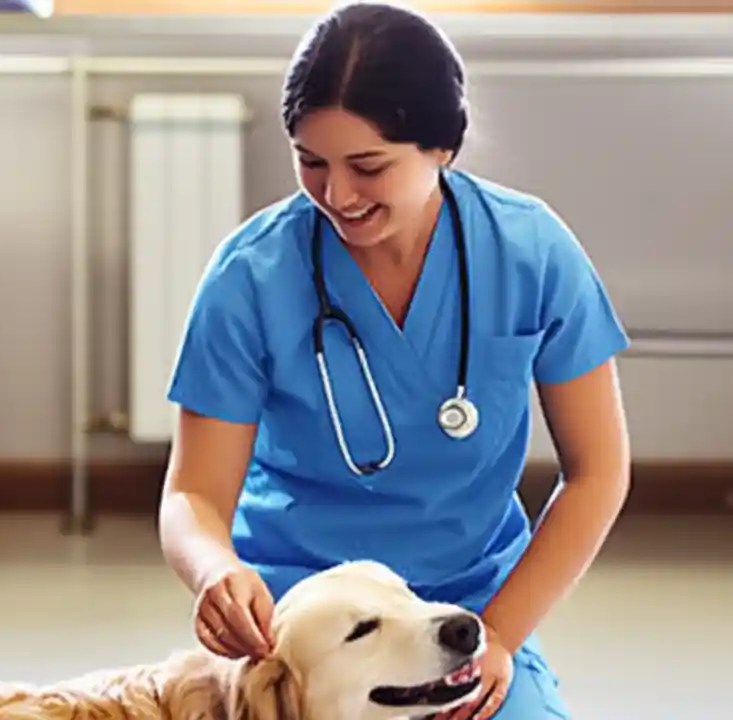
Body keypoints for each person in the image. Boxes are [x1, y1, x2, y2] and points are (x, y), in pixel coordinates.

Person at [158, 2, 631, 717]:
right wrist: (215, 570)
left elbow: (598, 472)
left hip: (465, 609)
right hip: (301, 626)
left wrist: (500, 633)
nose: (337, 195)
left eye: (367, 166)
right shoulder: (250, 277)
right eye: (311, 163)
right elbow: (193, 495)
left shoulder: (530, 253)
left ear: (443, 145)